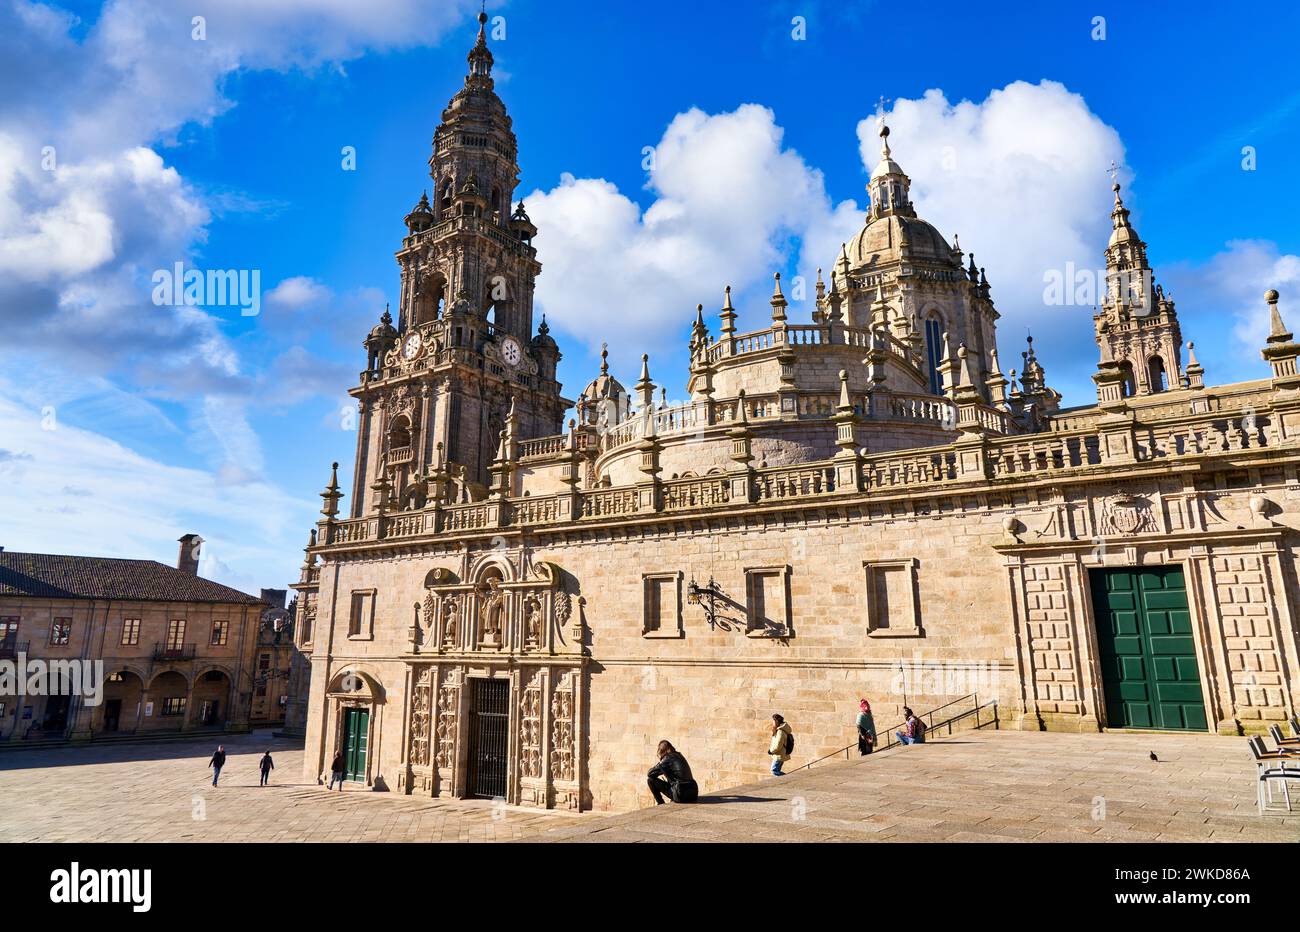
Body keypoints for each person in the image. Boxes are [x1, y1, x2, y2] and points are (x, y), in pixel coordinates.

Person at [646, 740, 699, 804]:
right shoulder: (680, 755)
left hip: (681, 795)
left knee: (650, 780)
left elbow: (650, 774)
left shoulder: (668, 758)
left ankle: (660, 803)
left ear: (661, 751)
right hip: (692, 794)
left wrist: (660, 762)